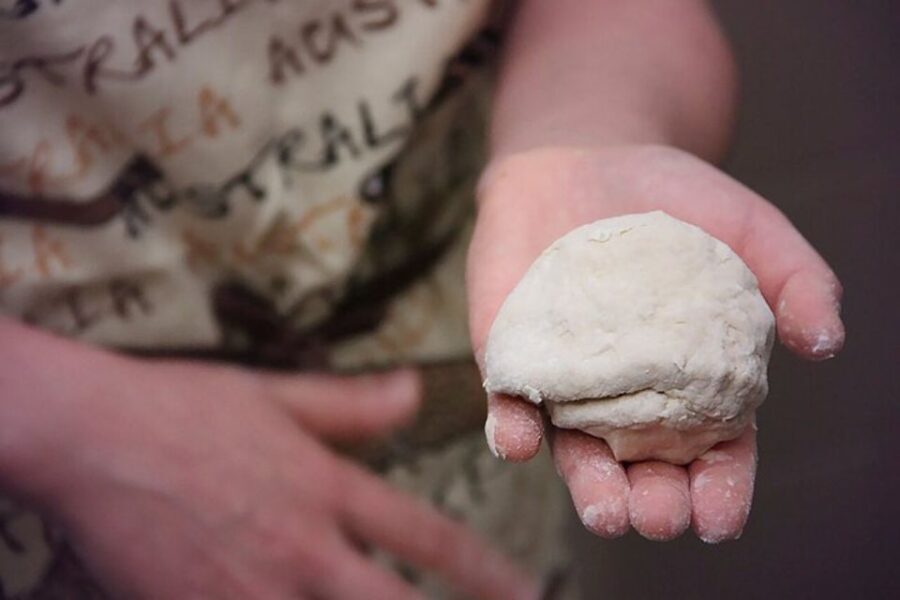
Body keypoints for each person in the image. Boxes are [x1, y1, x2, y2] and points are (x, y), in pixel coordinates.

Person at [0, 0, 844, 598]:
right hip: (67, 482)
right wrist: (58, 423)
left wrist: (588, 127)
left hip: (475, 385)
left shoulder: (530, 346)